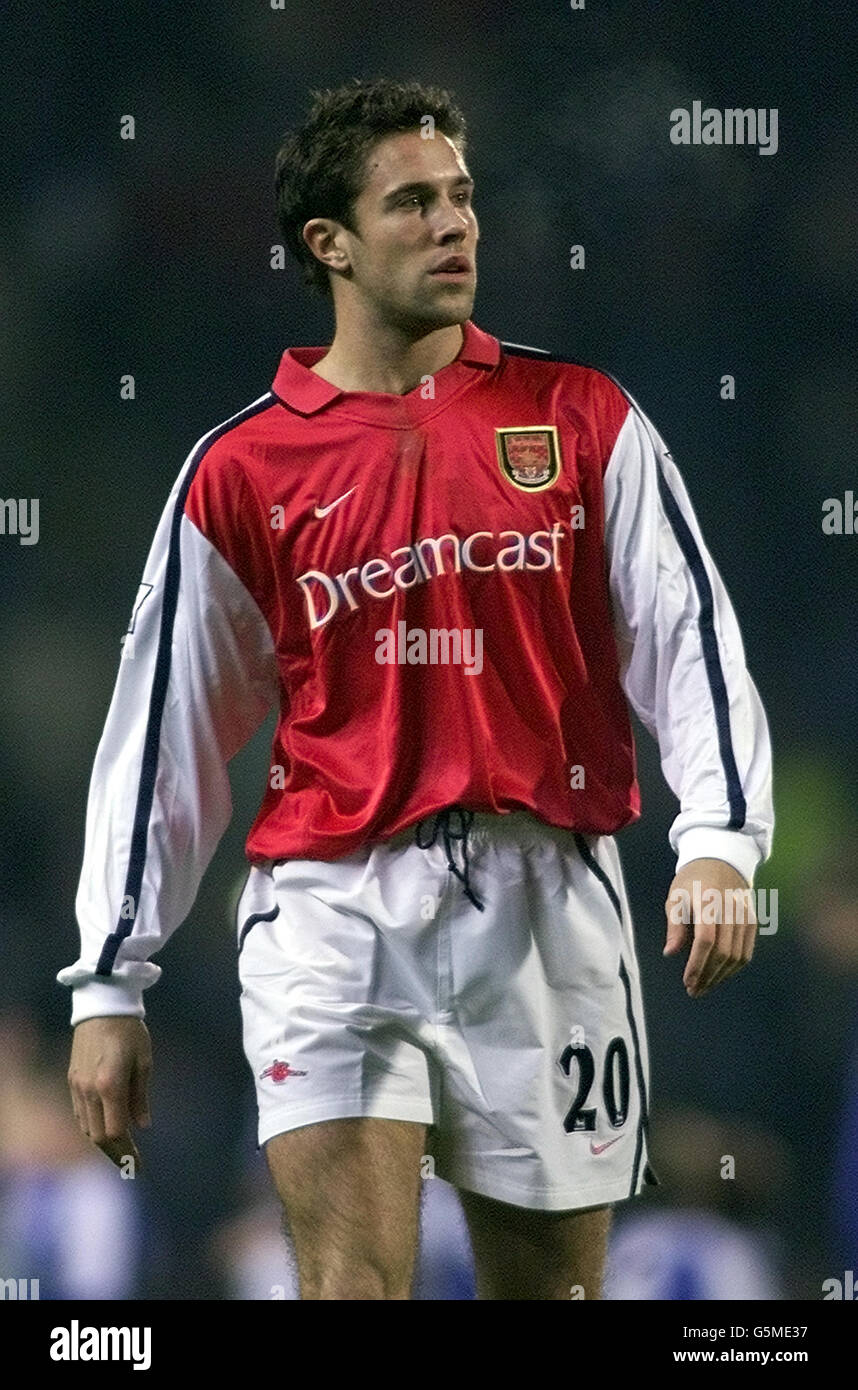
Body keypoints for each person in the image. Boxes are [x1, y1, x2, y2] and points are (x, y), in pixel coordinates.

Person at [60, 77, 773, 1300]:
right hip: (332, 913)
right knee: (349, 1288)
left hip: (549, 899)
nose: (456, 225)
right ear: (327, 243)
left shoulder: (584, 417)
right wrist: (111, 977)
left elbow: (689, 635)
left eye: (462, 198)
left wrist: (719, 837)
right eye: (413, 203)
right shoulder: (239, 468)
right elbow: (164, 731)